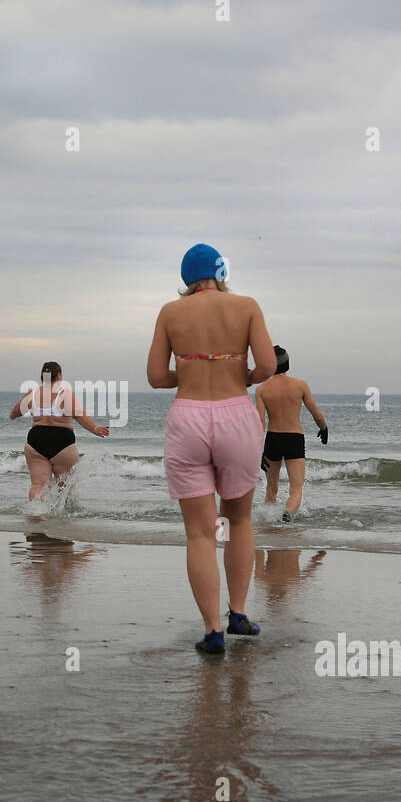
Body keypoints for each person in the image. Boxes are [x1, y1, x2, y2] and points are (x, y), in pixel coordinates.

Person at [147, 243, 276, 654]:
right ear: (221, 272)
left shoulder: (170, 312)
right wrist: (241, 374)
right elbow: (268, 366)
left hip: (188, 417)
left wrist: (189, 372)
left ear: (187, 278)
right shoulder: (247, 305)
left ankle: (212, 630)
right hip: (237, 413)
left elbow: (155, 377)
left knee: (200, 533)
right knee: (238, 520)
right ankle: (238, 613)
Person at [8, 362, 109, 500]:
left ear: (43, 376)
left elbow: (14, 413)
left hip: (36, 440)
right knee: (65, 487)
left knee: (38, 484)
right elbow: (79, 414)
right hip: (62, 442)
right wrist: (96, 429)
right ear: (59, 375)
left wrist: (19, 410)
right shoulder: (65, 394)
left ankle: (35, 514)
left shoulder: (33, 394)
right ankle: (62, 520)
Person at [255, 345, 328, 520]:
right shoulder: (300, 385)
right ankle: (287, 516)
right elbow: (316, 413)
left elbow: (260, 421)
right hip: (294, 439)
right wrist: (323, 428)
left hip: (272, 439)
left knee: (271, 488)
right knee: (296, 488)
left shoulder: (262, 389)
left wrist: (258, 448)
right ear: (287, 363)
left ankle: (269, 520)